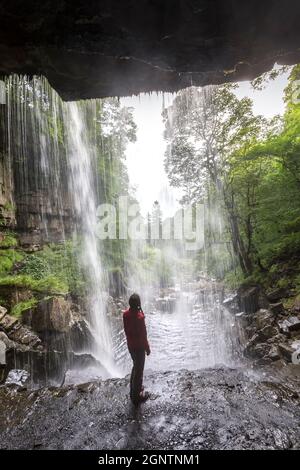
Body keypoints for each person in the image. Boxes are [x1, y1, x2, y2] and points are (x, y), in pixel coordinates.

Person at [123, 293, 151, 405]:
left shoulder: (125, 315)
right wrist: (147, 348)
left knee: (135, 366)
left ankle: (133, 390)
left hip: (130, 346)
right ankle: (137, 396)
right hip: (139, 347)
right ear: (139, 304)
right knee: (139, 370)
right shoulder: (140, 318)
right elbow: (143, 335)